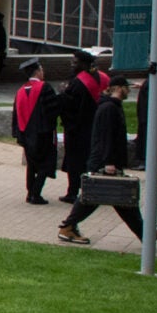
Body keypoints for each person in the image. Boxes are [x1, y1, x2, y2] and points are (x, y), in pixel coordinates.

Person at [59, 74, 157, 245]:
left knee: (120, 199)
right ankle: (68, 227)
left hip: (106, 161)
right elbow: (106, 137)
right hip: (105, 163)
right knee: (98, 197)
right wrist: (109, 162)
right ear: (118, 88)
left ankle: (146, 234)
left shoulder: (110, 106)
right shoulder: (109, 108)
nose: (128, 91)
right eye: (126, 87)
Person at [57, 51, 104, 203]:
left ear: (84, 64)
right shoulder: (100, 77)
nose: (72, 64)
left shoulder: (79, 83)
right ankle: (92, 191)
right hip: (95, 128)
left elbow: (72, 107)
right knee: (91, 161)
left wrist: (63, 93)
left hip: (78, 130)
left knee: (75, 162)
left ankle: (72, 192)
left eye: (75, 62)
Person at [11, 59, 59, 205]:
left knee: (31, 165)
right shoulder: (45, 88)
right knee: (45, 163)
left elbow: (15, 115)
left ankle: (30, 193)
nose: (43, 72)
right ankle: (35, 194)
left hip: (25, 134)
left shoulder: (20, 91)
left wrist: (18, 133)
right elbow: (52, 110)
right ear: (37, 71)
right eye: (42, 69)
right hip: (42, 134)